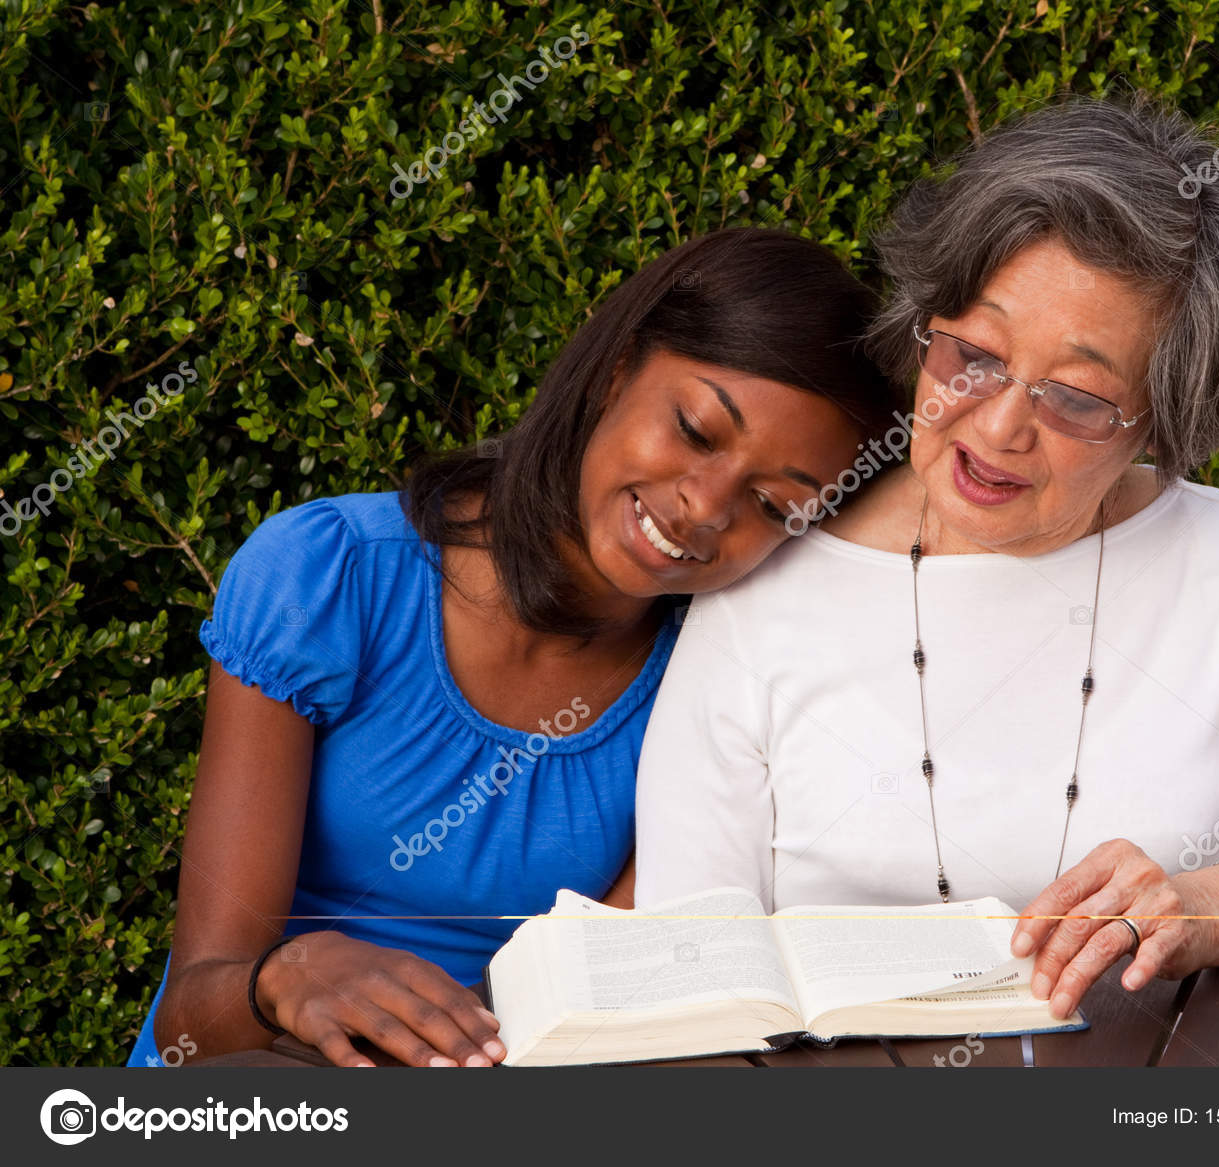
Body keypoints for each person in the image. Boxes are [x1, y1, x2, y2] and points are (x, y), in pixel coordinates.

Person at [633, 97, 1219, 1023]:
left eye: (1076, 397)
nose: (1000, 425)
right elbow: (692, 952)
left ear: (1161, 417)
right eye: (973, 353)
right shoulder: (764, 590)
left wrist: (1215, 904)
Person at [127, 227, 904, 1067]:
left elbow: (607, 999)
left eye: (774, 503)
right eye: (695, 430)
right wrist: (287, 976)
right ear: (615, 370)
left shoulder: (708, 675)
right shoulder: (329, 576)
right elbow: (188, 1023)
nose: (706, 507)